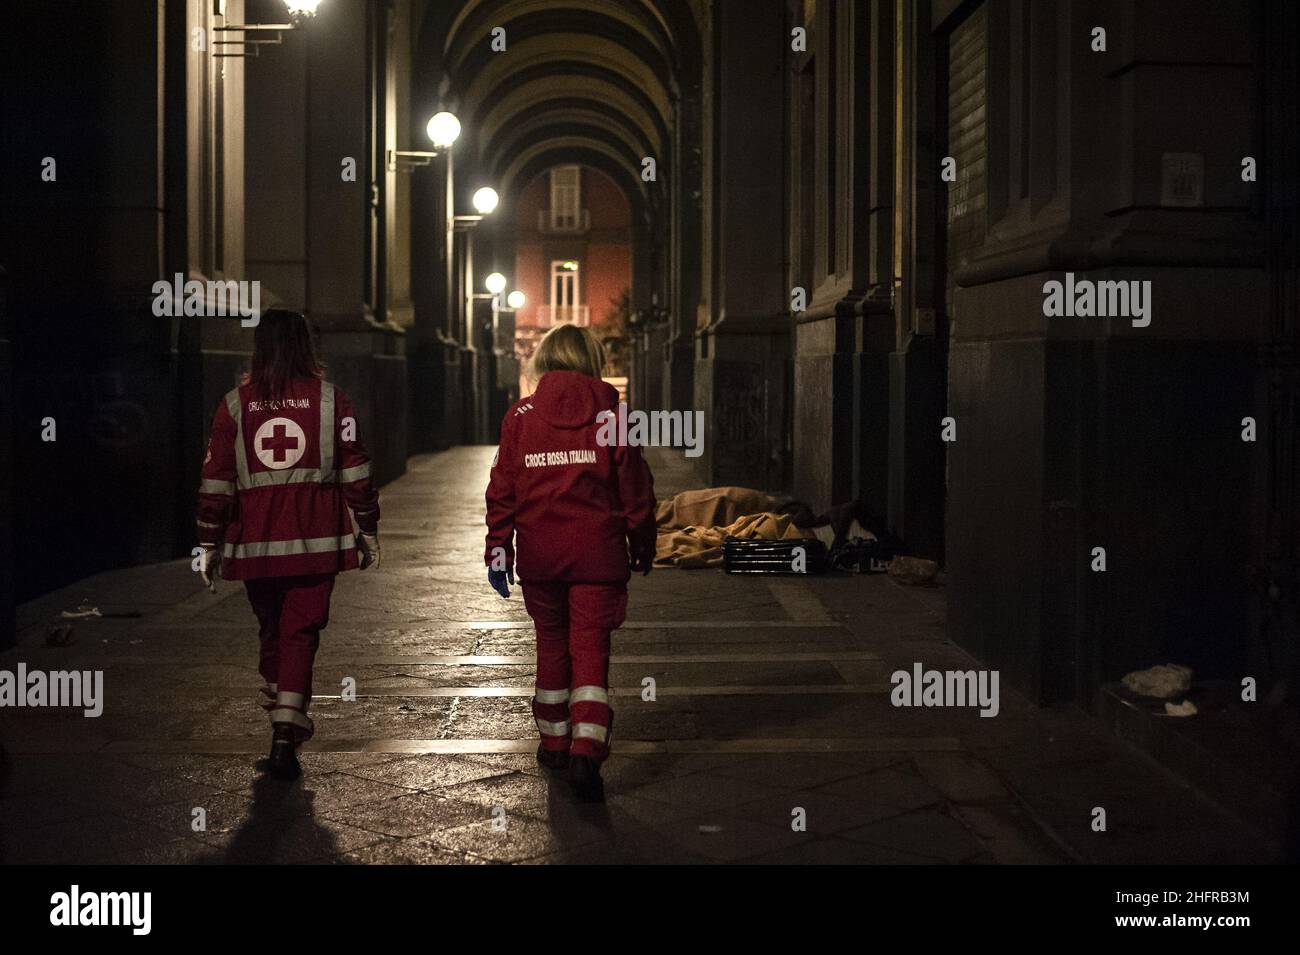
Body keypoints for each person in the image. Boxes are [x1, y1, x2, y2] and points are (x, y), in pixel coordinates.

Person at [195, 309, 380, 780]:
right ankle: (284, 732)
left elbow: (215, 480)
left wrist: (207, 541)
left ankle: (283, 716)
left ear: (259, 348)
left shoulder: (234, 405)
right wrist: (367, 524)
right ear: (306, 346)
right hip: (315, 539)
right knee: (300, 632)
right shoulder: (332, 401)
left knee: (272, 629)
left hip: (255, 541)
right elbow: (356, 467)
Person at [485, 323, 656, 802]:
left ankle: (554, 742)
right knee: (590, 648)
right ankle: (587, 750)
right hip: (597, 555)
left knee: (551, 643)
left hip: (541, 556)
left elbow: (502, 491)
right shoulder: (614, 416)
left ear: (545, 360)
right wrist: (643, 541)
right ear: (591, 360)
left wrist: (499, 548)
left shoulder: (520, 416)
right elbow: (635, 489)